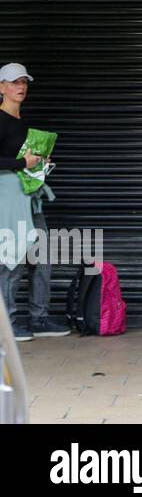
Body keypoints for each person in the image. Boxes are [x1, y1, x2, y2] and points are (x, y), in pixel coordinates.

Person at [0, 63, 70, 341]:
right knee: (12, 260)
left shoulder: (21, 123)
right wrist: (21, 162)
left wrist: (38, 164)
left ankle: (39, 319)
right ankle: (7, 324)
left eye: (24, 82)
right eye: (14, 82)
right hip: (8, 198)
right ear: (1, 87)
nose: (20, 87)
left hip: (29, 196)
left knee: (41, 258)